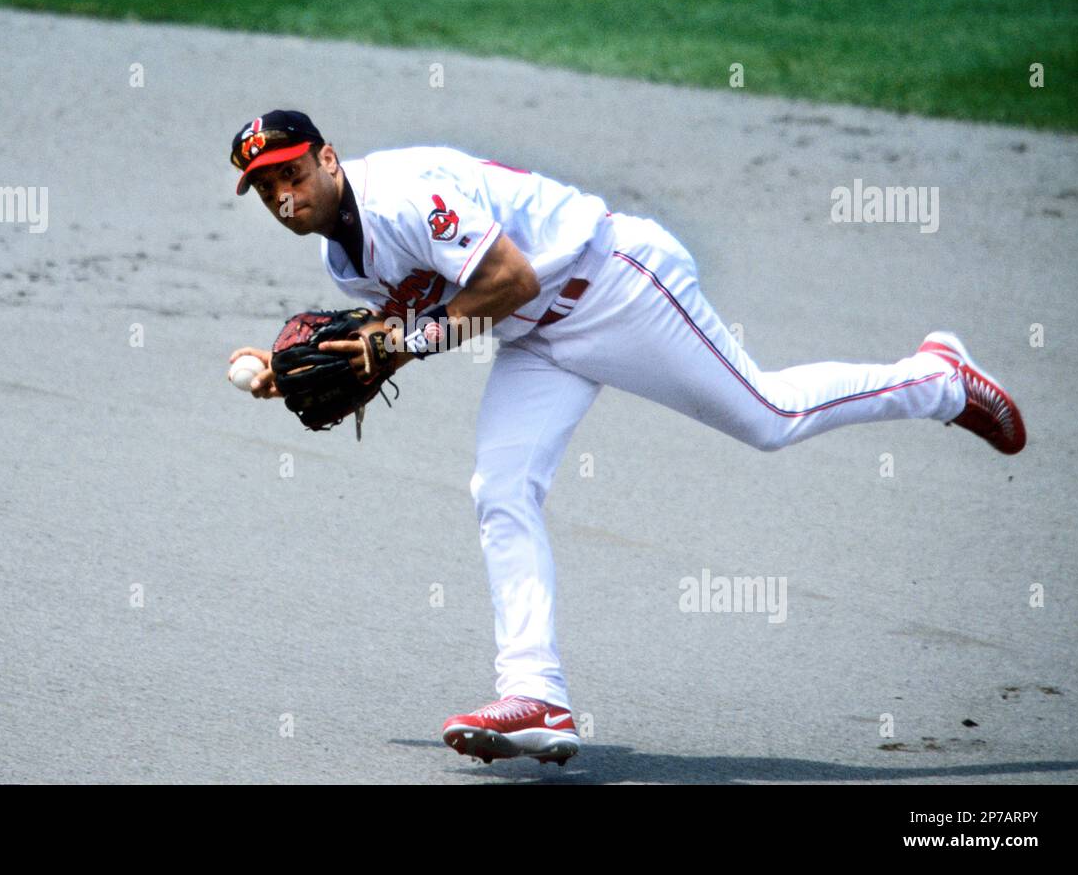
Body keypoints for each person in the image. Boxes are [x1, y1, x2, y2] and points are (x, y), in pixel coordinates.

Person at [226, 109, 1027, 767]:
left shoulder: (403, 193)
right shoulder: (342, 261)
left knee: (770, 418)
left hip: (614, 286)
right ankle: (536, 696)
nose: (283, 196)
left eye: (292, 173)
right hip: (536, 340)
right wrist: (296, 364)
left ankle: (939, 379)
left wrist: (402, 343)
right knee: (500, 489)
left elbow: (508, 279)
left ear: (329, 159)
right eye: (265, 189)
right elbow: (418, 317)